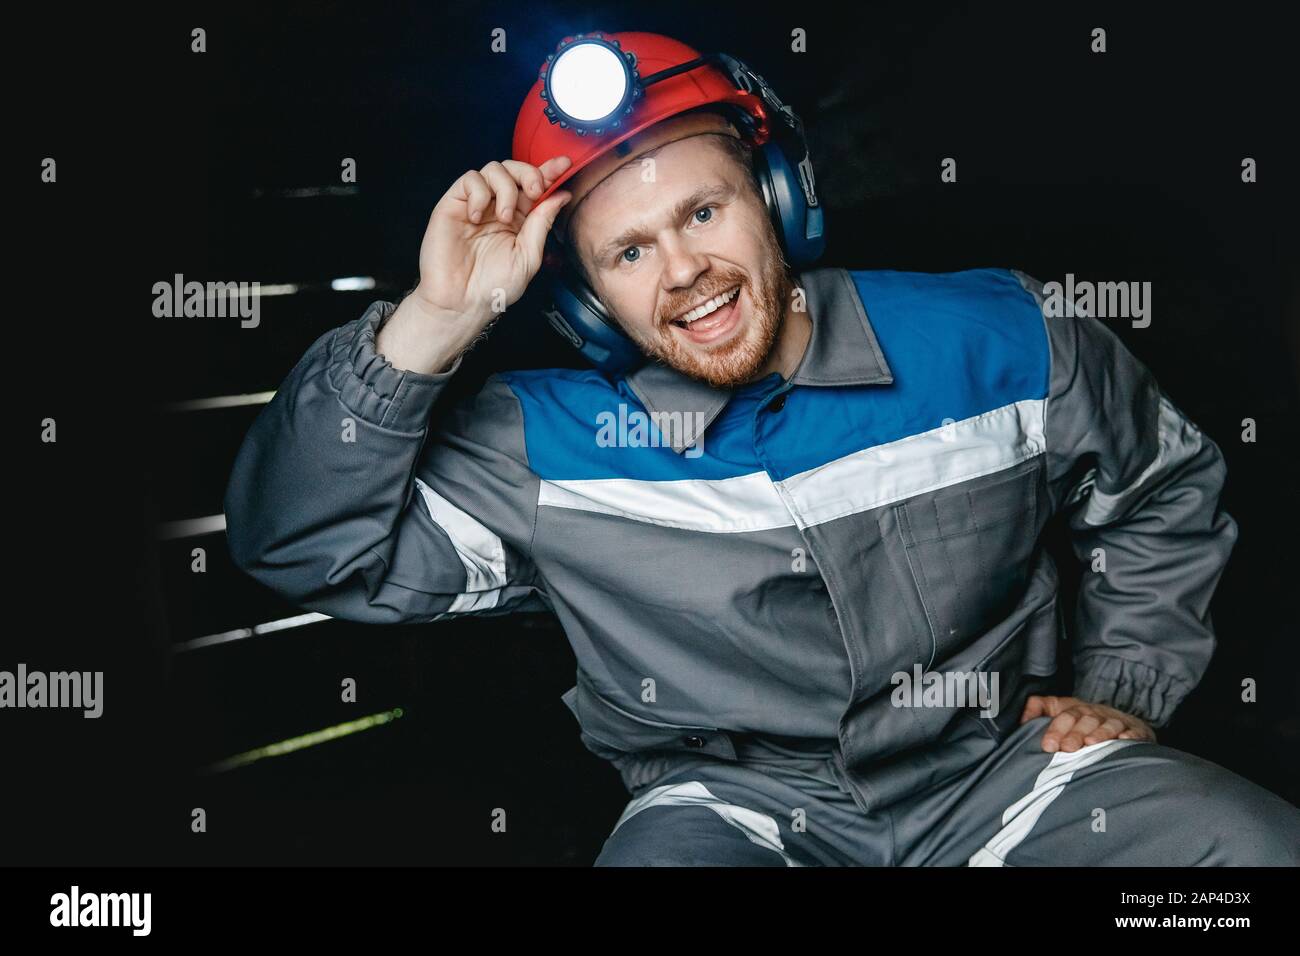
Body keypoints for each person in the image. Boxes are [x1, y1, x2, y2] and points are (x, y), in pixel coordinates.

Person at [223, 30, 1300, 865]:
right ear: (589, 298)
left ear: (776, 197)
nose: (681, 270)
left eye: (703, 211)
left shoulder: (996, 339)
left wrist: (1129, 678)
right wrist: (433, 320)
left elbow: (1160, 486)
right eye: (629, 249)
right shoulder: (539, 447)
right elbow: (305, 549)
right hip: (736, 816)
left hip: (1009, 775)